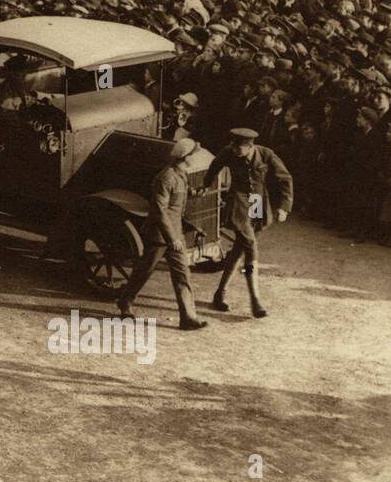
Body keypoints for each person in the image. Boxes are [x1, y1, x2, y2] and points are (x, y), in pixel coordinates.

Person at [199, 127, 294, 318]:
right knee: (250, 245)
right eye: (233, 147)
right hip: (239, 201)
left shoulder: (266, 154)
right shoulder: (229, 151)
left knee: (240, 248)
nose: (235, 151)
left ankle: (220, 293)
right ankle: (255, 299)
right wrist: (206, 184)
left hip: (256, 201)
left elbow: (285, 178)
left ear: (250, 147)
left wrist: (284, 206)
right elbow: (215, 165)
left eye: (239, 149)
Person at [116, 138, 208, 330]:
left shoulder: (180, 174)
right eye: (194, 155)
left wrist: (194, 192)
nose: (196, 159)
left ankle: (188, 317)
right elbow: (160, 211)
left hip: (175, 235)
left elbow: (178, 195)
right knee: (143, 272)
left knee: (183, 274)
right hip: (159, 236)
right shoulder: (165, 178)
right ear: (185, 157)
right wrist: (171, 238)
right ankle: (125, 302)